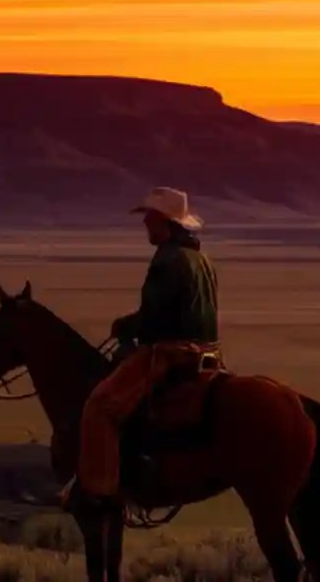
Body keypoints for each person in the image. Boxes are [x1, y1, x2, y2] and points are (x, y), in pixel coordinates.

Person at [61, 186, 220, 509]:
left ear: (165, 221)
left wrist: (125, 326)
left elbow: (155, 317)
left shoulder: (167, 259)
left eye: (150, 217)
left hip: (171, 352)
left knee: (100, 405)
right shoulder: (201, 258)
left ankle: (98, 490)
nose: (145, 223)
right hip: (210, 354)